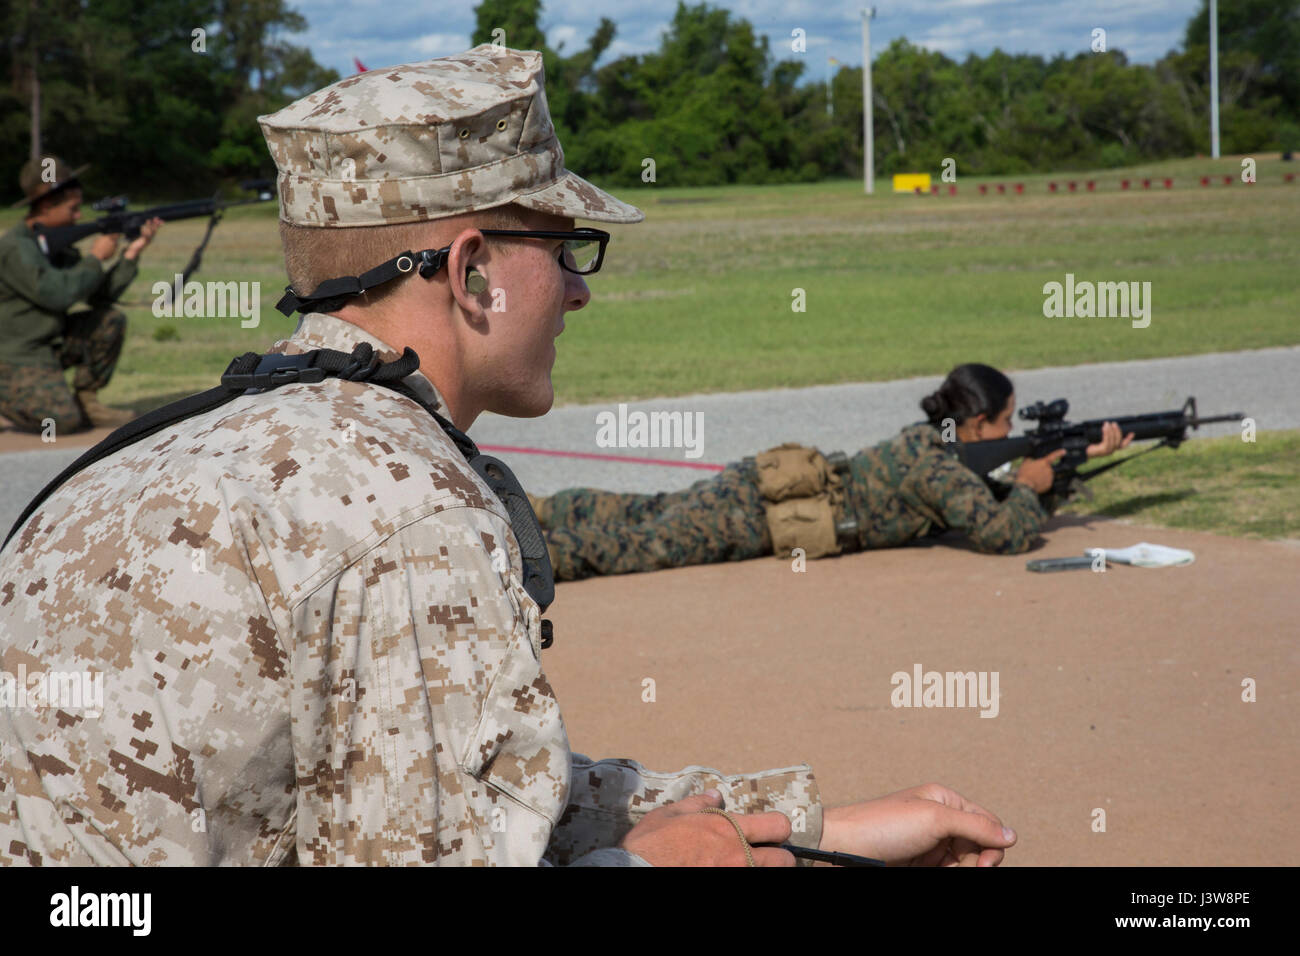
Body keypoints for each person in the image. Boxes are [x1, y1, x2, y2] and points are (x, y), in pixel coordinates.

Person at [0, 47, 1016, 867]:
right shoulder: (411, 511)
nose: (579, 291)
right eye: (564, 250)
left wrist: (803, 821)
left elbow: (469, 785)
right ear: (473, 269)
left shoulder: (156, 451)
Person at [536, 363, 1135, 581]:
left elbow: (988, 495)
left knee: (650, 509)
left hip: (762, 485)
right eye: (1004, 422)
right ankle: (533, 553)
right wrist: (1034, 487)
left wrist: (1066, 465)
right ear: (976, 425)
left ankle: (541, 508)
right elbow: (1000, 533)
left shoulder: (930, 444)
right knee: (649, 543)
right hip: (759, 515)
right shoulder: (940, 468)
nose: (1009, 433)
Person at [0, 156, 162, 433]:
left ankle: (88, 401)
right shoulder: (16, 248)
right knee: (62, 421)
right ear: (47, 206)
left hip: (47, 345)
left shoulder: (55, 247)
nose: (79, 216)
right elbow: (57, 295)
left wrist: (132, 253)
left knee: (108, 320)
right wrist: (96, 258)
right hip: (15, 355)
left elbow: (98, 297)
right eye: (73, 209)